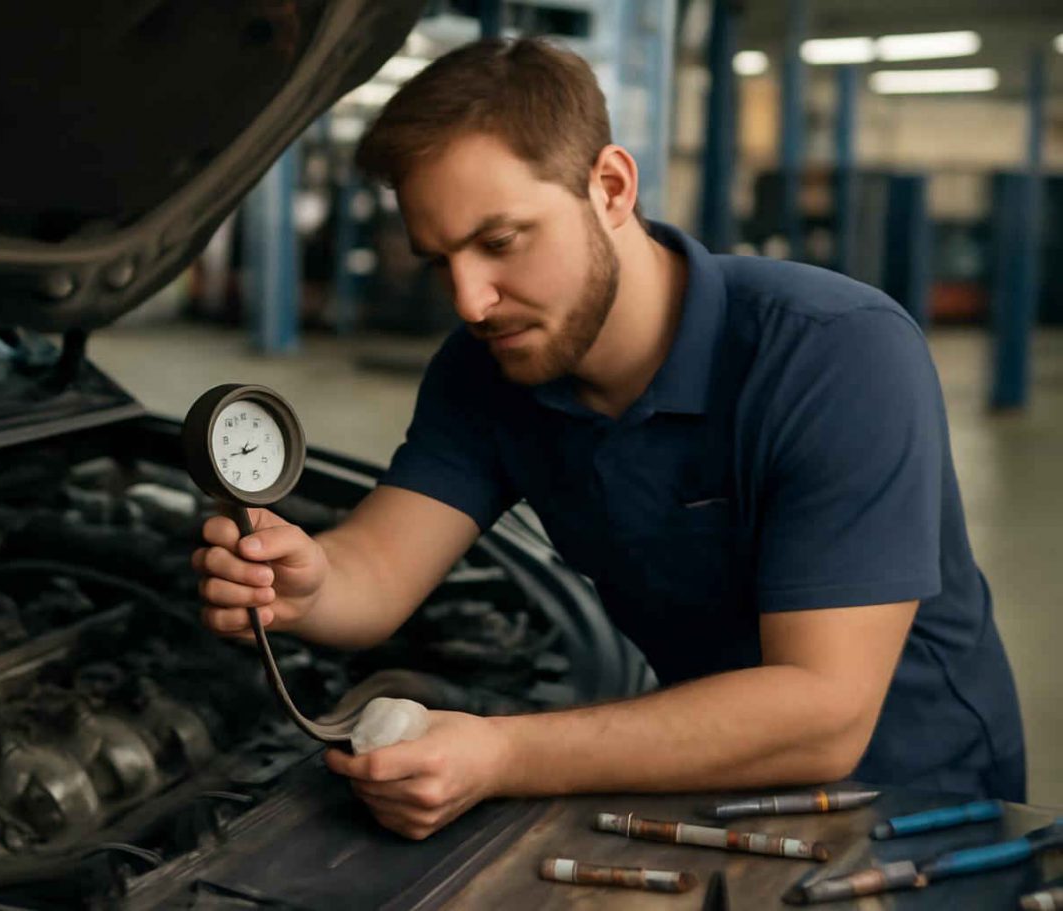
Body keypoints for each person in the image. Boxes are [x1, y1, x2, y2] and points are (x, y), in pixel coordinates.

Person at [191, 38, 1025, 840]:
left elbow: (824, 715)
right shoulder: (488, 367)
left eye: (500, 241)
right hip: (698, 776)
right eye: (439, 260)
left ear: (613, 187)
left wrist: (503, 751)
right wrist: (308, 584)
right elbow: (377, 568)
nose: (472, 300)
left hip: (914, 804)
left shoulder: (834, 352)